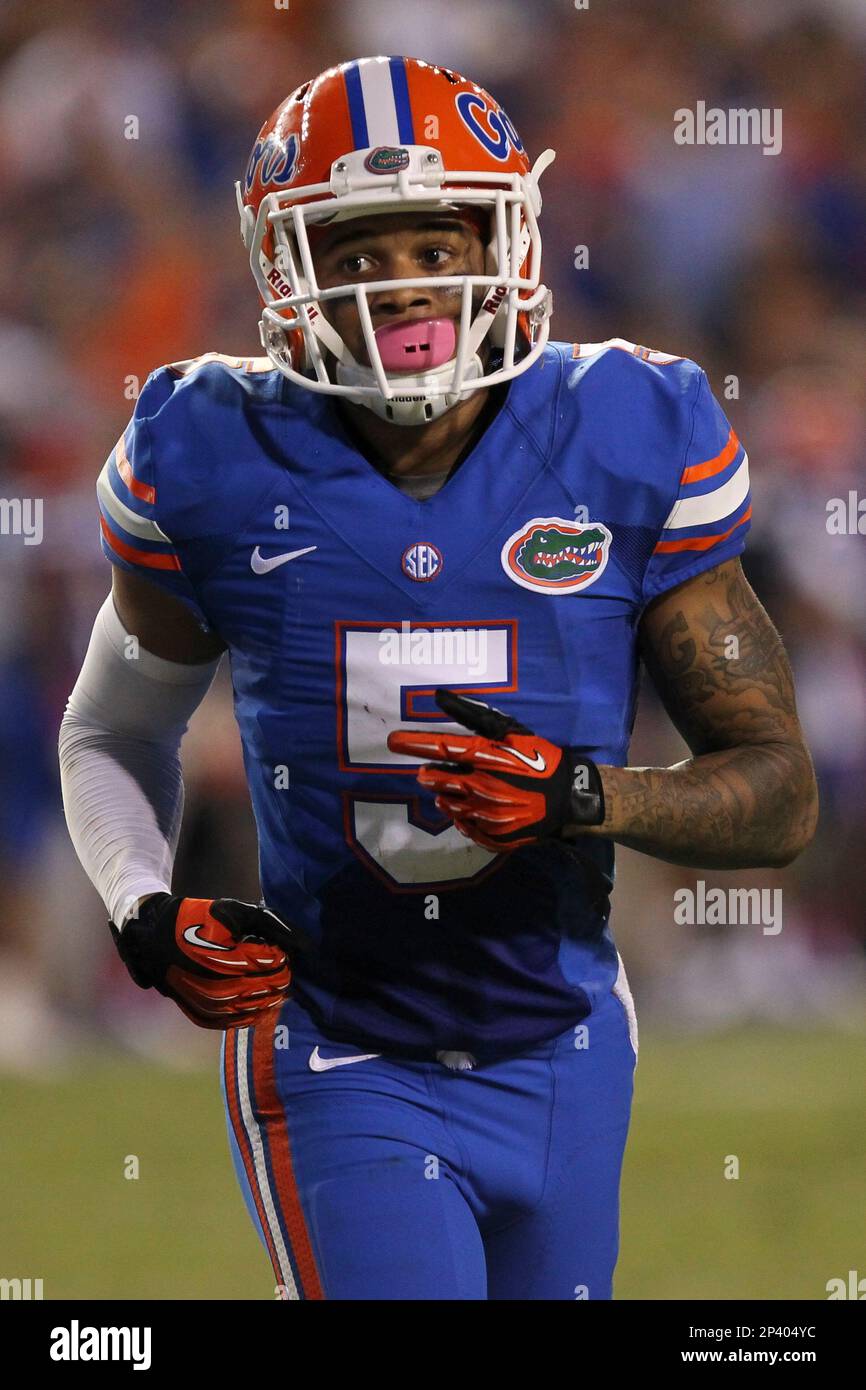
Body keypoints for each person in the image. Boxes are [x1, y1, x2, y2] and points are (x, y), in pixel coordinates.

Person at [58, 55, 818, 1301]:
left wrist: (579, 797)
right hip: (336, 1044)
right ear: (285, 267)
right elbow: (109, 730)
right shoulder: (209, 453)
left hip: (565, 1038)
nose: (405, 286)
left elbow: (777, 791)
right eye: (358, 252)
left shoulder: (627, 430)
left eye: (433, 242)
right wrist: (143, 908)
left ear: (507, 238)